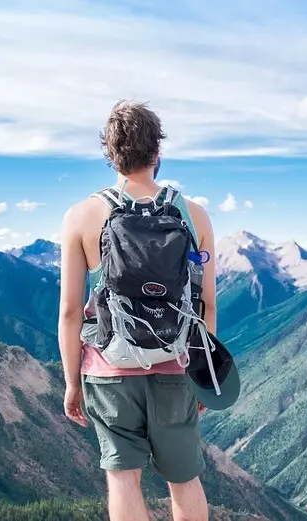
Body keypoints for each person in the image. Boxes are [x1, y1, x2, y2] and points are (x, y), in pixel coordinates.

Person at [58, 100, 217, 521]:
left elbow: (71, 312)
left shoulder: (81, 217)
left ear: (109, 153)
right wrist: (204, 375)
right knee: (184, 478)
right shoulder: (192, 214)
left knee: (123, 478)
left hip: (108, 370)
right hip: (175, 365)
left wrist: (72, 382)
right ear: (157, 151)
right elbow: (206, 305)